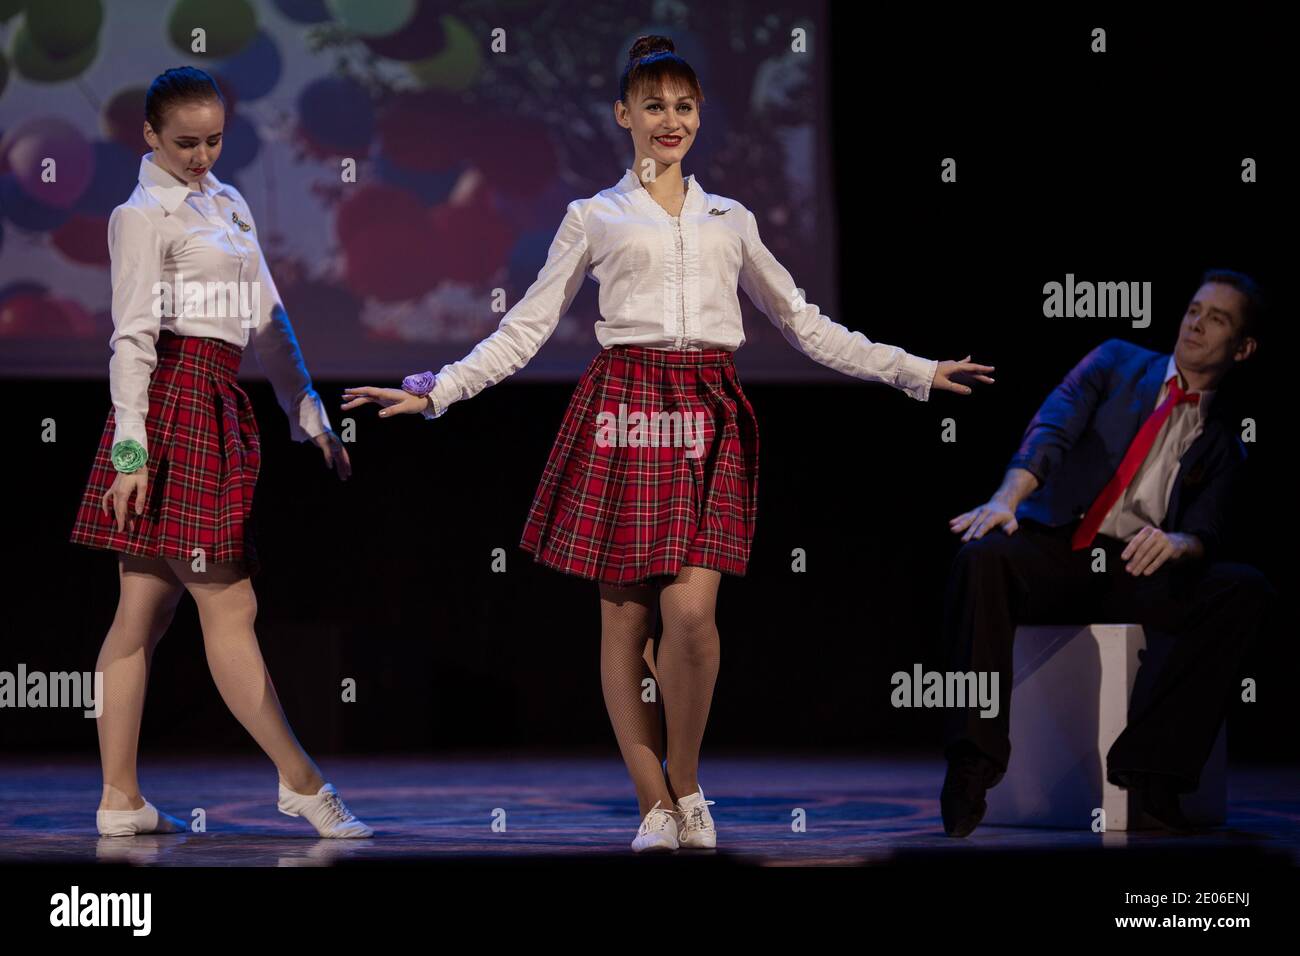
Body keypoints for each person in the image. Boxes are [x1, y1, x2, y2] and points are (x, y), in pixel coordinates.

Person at [343, 36, 992, 853]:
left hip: (708, 411)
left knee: (690, 618)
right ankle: (656, 803)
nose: (670, 120)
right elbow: (529, 324)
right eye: (653, 106)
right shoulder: (595, 216)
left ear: (700, 116)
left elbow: (803, 323)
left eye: (683, 106)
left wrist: (914, 370)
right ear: (624, 116)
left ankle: (685, 781)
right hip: (625, 408)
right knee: (625, 621)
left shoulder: (732, 220)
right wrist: (440, 388)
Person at [69, 66, 371, 838]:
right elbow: (132, 338)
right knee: (228, 604)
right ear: (148, 136)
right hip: (169, 406)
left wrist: (309, 415)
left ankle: (119, 800)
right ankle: (300, 781)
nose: (202, 155)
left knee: (141, 610)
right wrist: (130, 457)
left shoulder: (228, 202)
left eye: (213, 140)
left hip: (217, 403)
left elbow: (268, 320)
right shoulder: (139, 215)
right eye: (185, 143)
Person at [941, 269, 1275, 836]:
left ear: (1243, 348)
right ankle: (974, 762)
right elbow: (1052, 429)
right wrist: (1007, 499)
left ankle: (1153, 770)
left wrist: (1179, 543)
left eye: (1216, 319)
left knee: (1243, 587)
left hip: (1139, 567)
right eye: (1194, 309)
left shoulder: (1227, 436)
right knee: (983, 555)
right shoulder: (1117, 361)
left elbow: (1209, 532)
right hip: (1064, 547)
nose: (1196, 323)